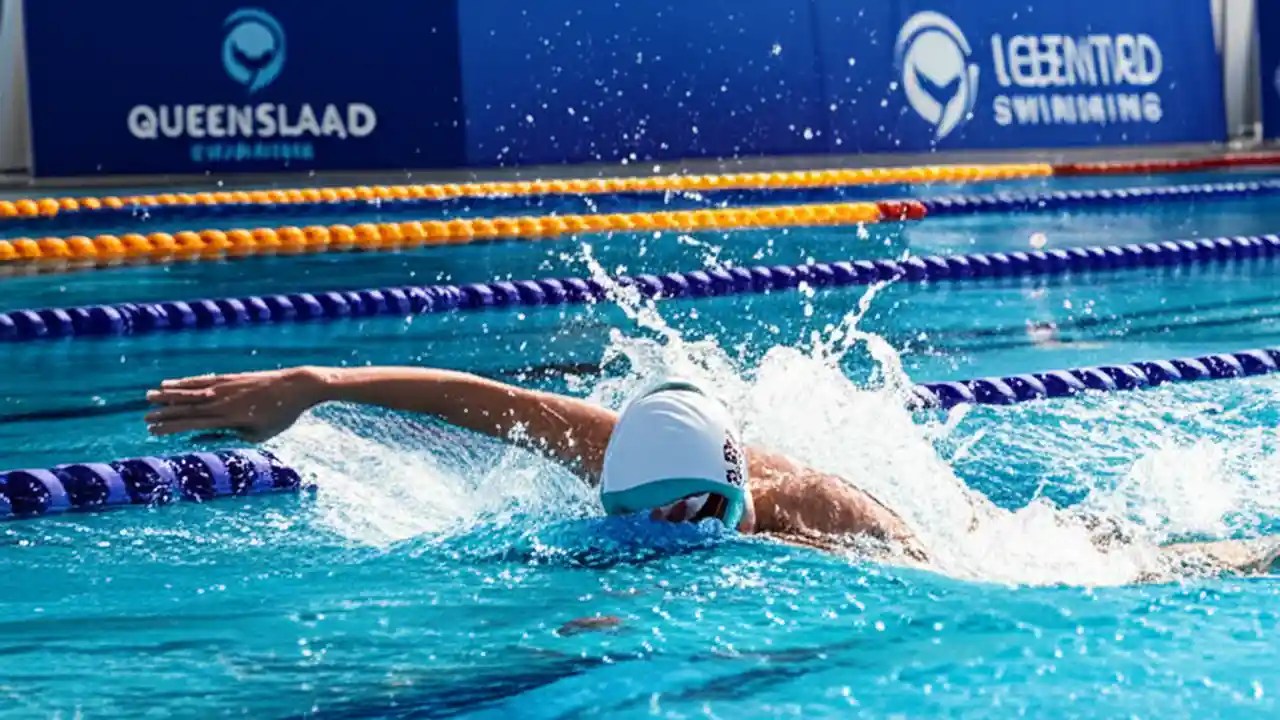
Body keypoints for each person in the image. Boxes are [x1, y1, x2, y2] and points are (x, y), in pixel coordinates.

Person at [145, 365, 1280, 578]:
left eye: (697, 516)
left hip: (969, 542)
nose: (679, 533)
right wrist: (320, 380)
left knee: (1116, 565)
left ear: (738, 488)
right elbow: (476, 403)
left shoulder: (815, 515)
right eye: (650, 520)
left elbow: (975, 594)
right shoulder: (610, 448)